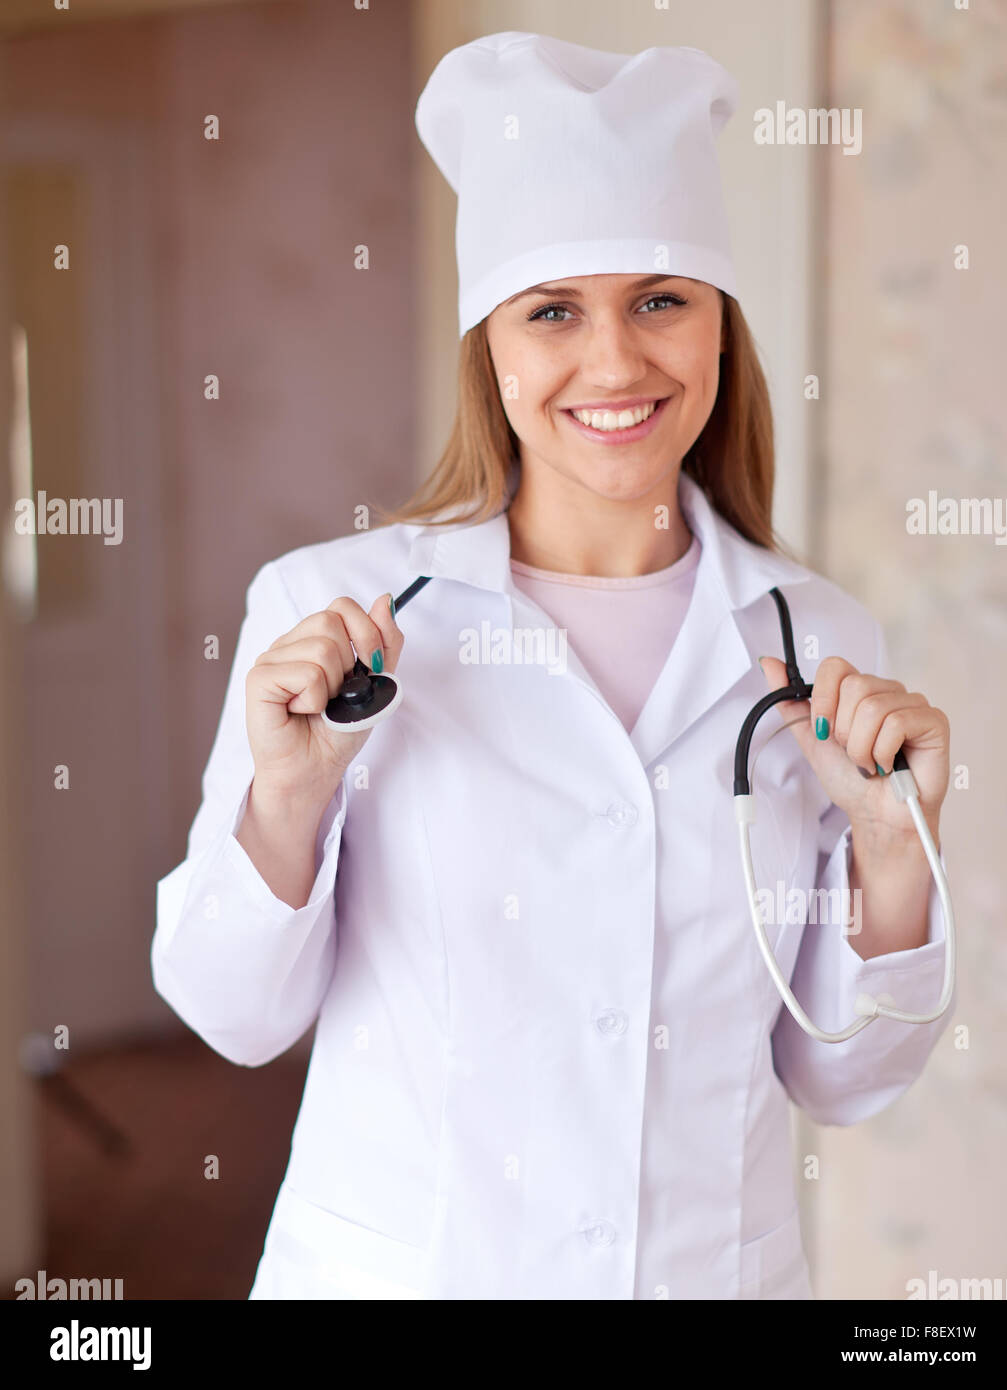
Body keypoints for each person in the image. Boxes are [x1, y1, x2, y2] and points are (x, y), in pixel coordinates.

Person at [152, 32, 955, 1301]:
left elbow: (844, 1080)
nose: (616, 363)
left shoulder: (822, 640)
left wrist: (893, 850)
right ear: (493, 348)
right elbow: (231, 1017)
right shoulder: (333, 614)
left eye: (659, 299)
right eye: (554, 311)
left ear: (719, 326)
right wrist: (290, 801)